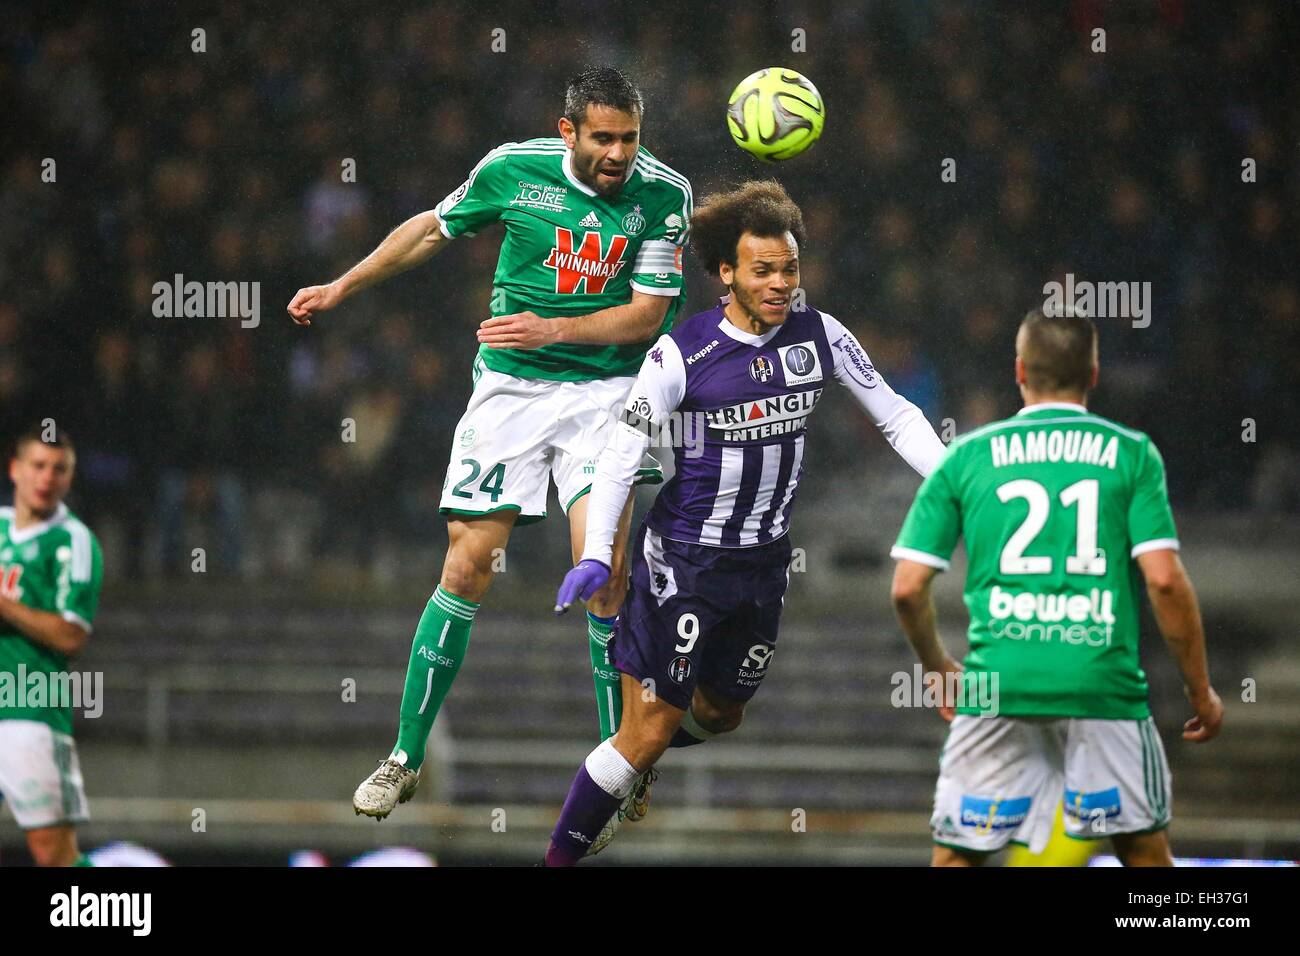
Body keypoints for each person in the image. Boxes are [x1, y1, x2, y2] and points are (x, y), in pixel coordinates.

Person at [287, 67, 692, 820]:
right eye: (603, 138)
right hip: (511, 388)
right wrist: (343, 285)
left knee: (604, 574)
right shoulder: (513, 169)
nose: (618, 154)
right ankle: (405, 757)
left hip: (608, 395)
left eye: (629, 138)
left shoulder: (664, 195)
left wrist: (555, 328)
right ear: (567, 131)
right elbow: (431, 228)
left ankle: (619, 770)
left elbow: (646, 319)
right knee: (468, 564)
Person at [545, 181, 946, 863]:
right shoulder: (682, 353)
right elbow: (621, 451)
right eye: (762, 270)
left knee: (723, 712)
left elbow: (897, 414)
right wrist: (593, 553)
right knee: (649, 733)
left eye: (789, 268)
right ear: (725, 273)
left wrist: (954, 480)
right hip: (687, 562)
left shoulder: (821, 335)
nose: (780, 283)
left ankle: (625, 759)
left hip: (765, 566)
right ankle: (566, 847)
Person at [890, 306, 1223, 866]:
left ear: (1019, 372)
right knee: (1145, 857)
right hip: (1102, 687)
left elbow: (906, 588)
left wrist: (938, 667)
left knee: (956, 860)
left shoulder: (968, 457)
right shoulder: (1131, 454)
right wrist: (1200, 692)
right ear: (1094, 375)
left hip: (994, 687)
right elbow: (1164, 582)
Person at [0, 426, 104, 865]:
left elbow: (70, 634)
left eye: (59, 469)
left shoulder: (74, 541)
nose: (47, 478)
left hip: (30, 709)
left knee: (52, 853)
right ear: (15, 470)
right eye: (38, 465)